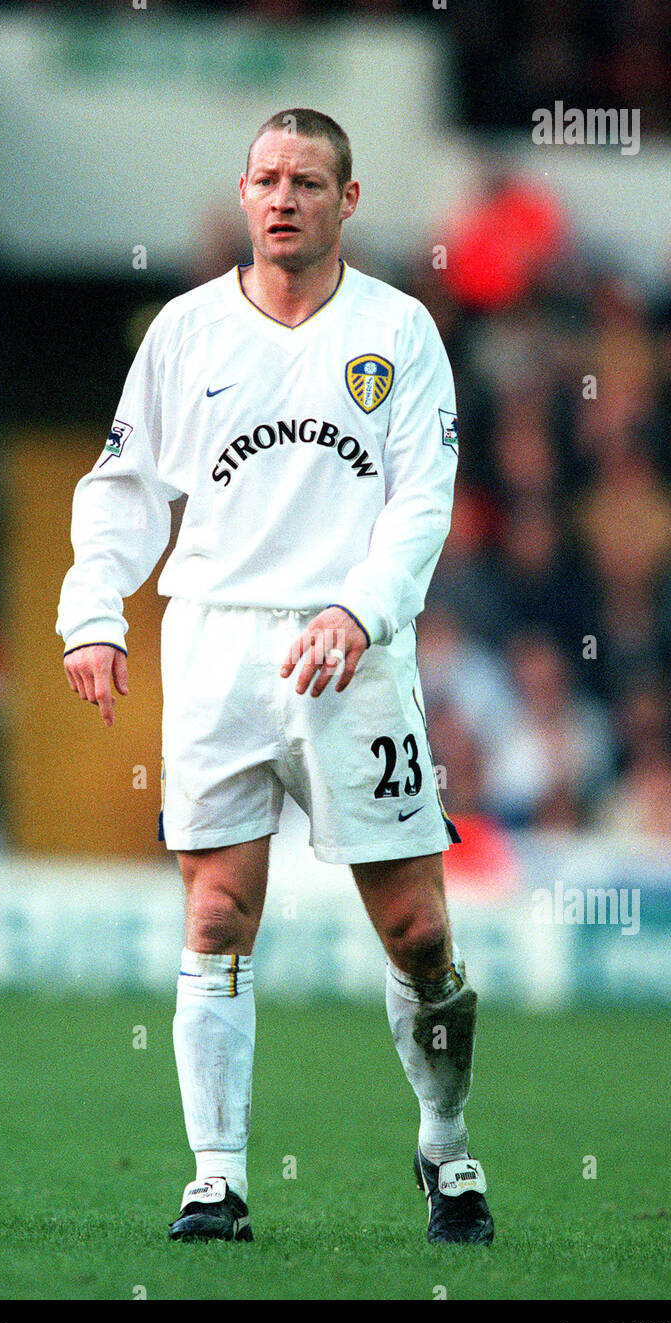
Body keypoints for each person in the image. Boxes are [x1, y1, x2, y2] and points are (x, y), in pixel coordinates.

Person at [57, 109, 493, 1247]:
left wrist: (358, 609)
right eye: (265, 179)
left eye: (307, 180)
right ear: (242, 194)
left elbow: (417, 502)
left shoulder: (397, 333)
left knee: (413, 933)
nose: (282, 197)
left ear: (349, 200)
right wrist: (92, 614)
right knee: (214, 912)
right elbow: (122, 490)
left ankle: (444, 1144)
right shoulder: (187, 331)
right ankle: (216, 1178)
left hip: (351, 650)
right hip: (211, 643)